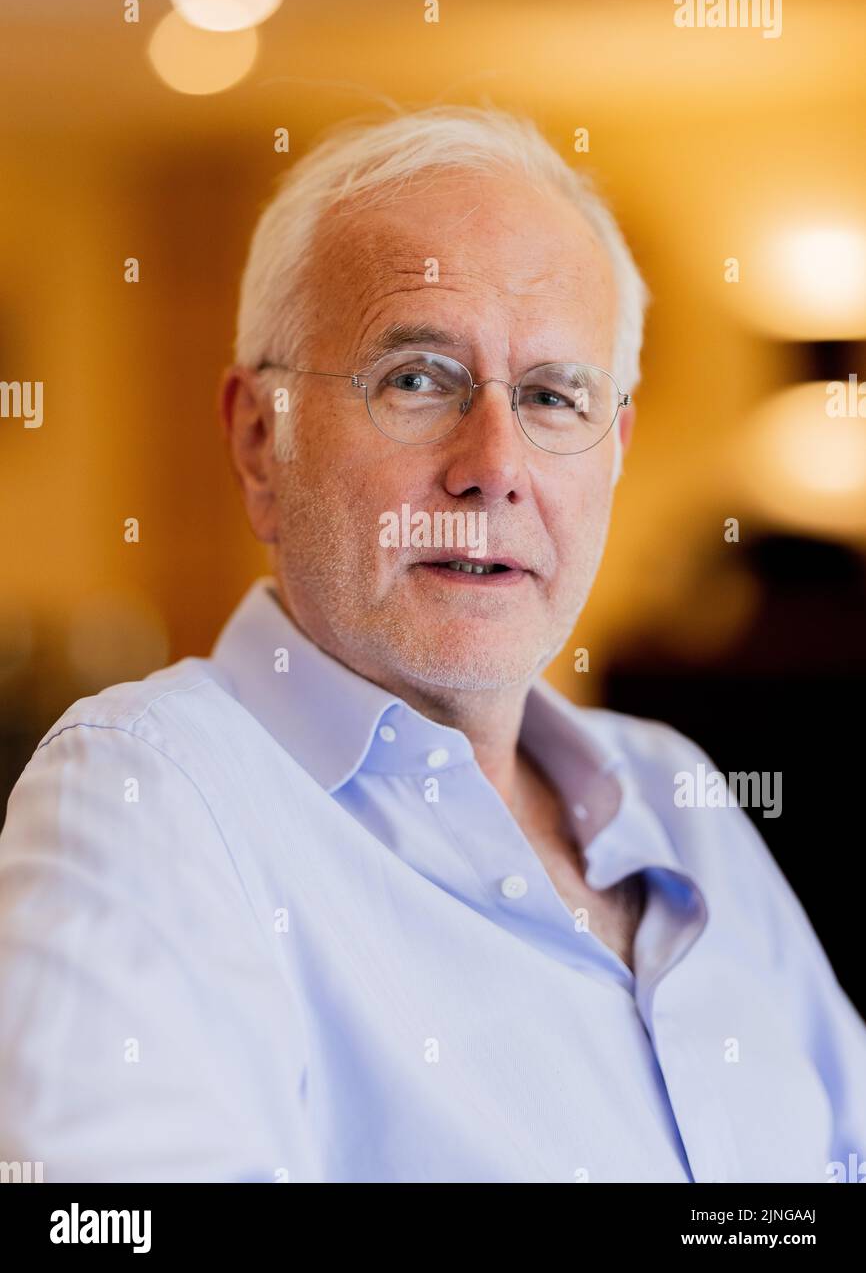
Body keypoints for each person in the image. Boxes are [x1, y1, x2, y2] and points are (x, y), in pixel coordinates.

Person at [1, 106, 864, 1183]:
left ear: (614, 450)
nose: (493, 466)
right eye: (414, 378)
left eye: (552, 395)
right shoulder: (148, 796)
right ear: (259, 440)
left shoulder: (674, 794)